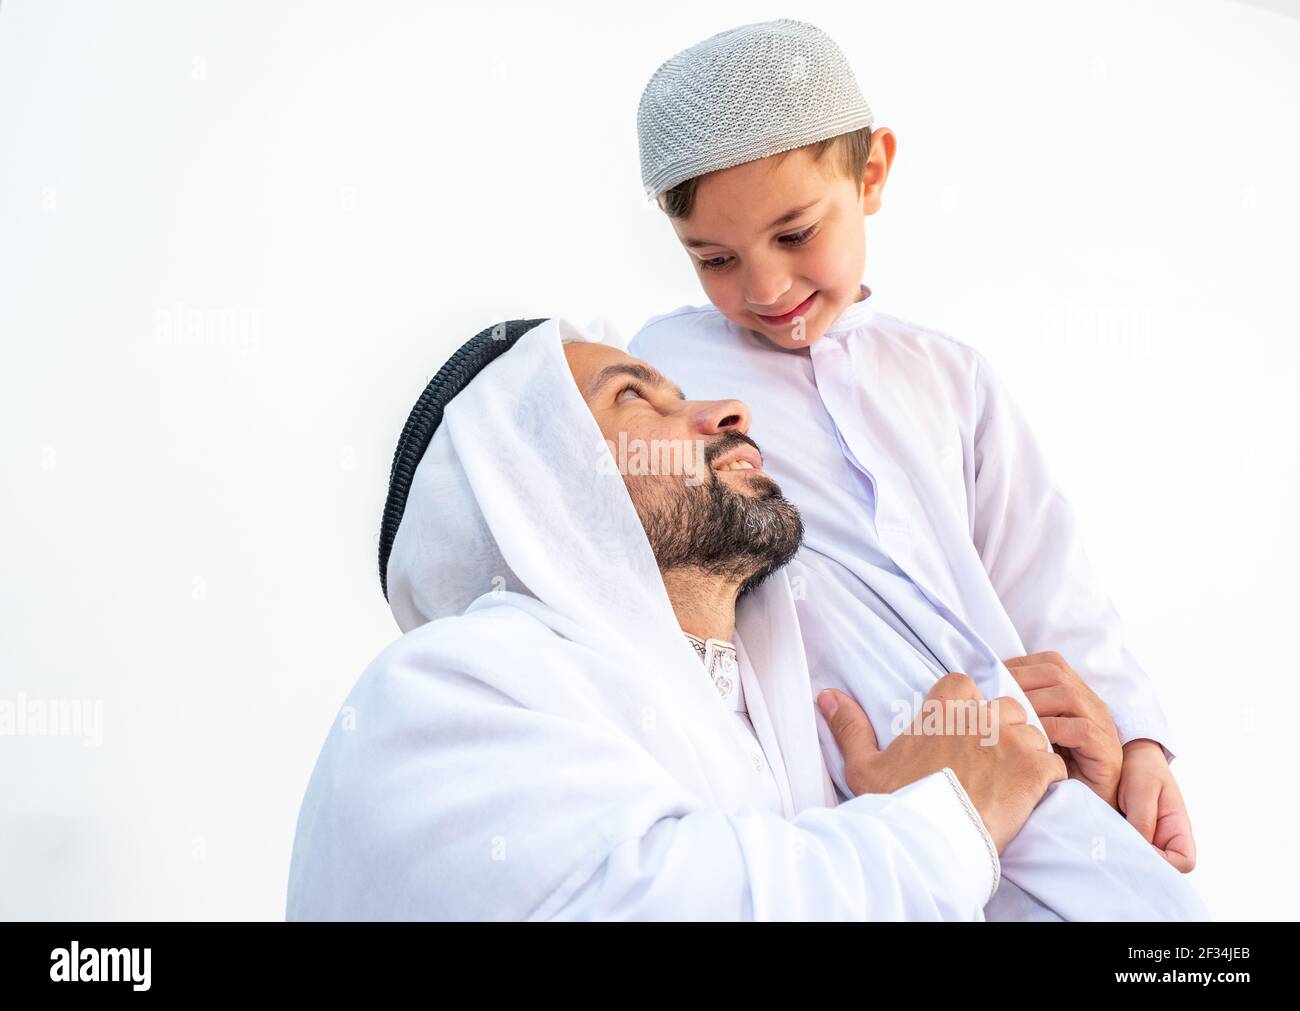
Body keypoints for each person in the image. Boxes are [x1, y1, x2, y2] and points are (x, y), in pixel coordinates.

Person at [285, 317, 1206, 920]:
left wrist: (1046, 791)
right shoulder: (436, 695)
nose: (724, 409)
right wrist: (950, 813)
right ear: (541, 494)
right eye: (636, 398)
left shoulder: (795, 748)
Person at [630, 18, 1195, 872]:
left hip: (1031, 760)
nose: (764, 286)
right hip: (845, 801)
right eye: (713, 257)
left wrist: (1139, 736)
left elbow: (1044, 571)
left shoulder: (947, 376)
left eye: (793, 234)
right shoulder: (666, 375)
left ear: (873, 172)